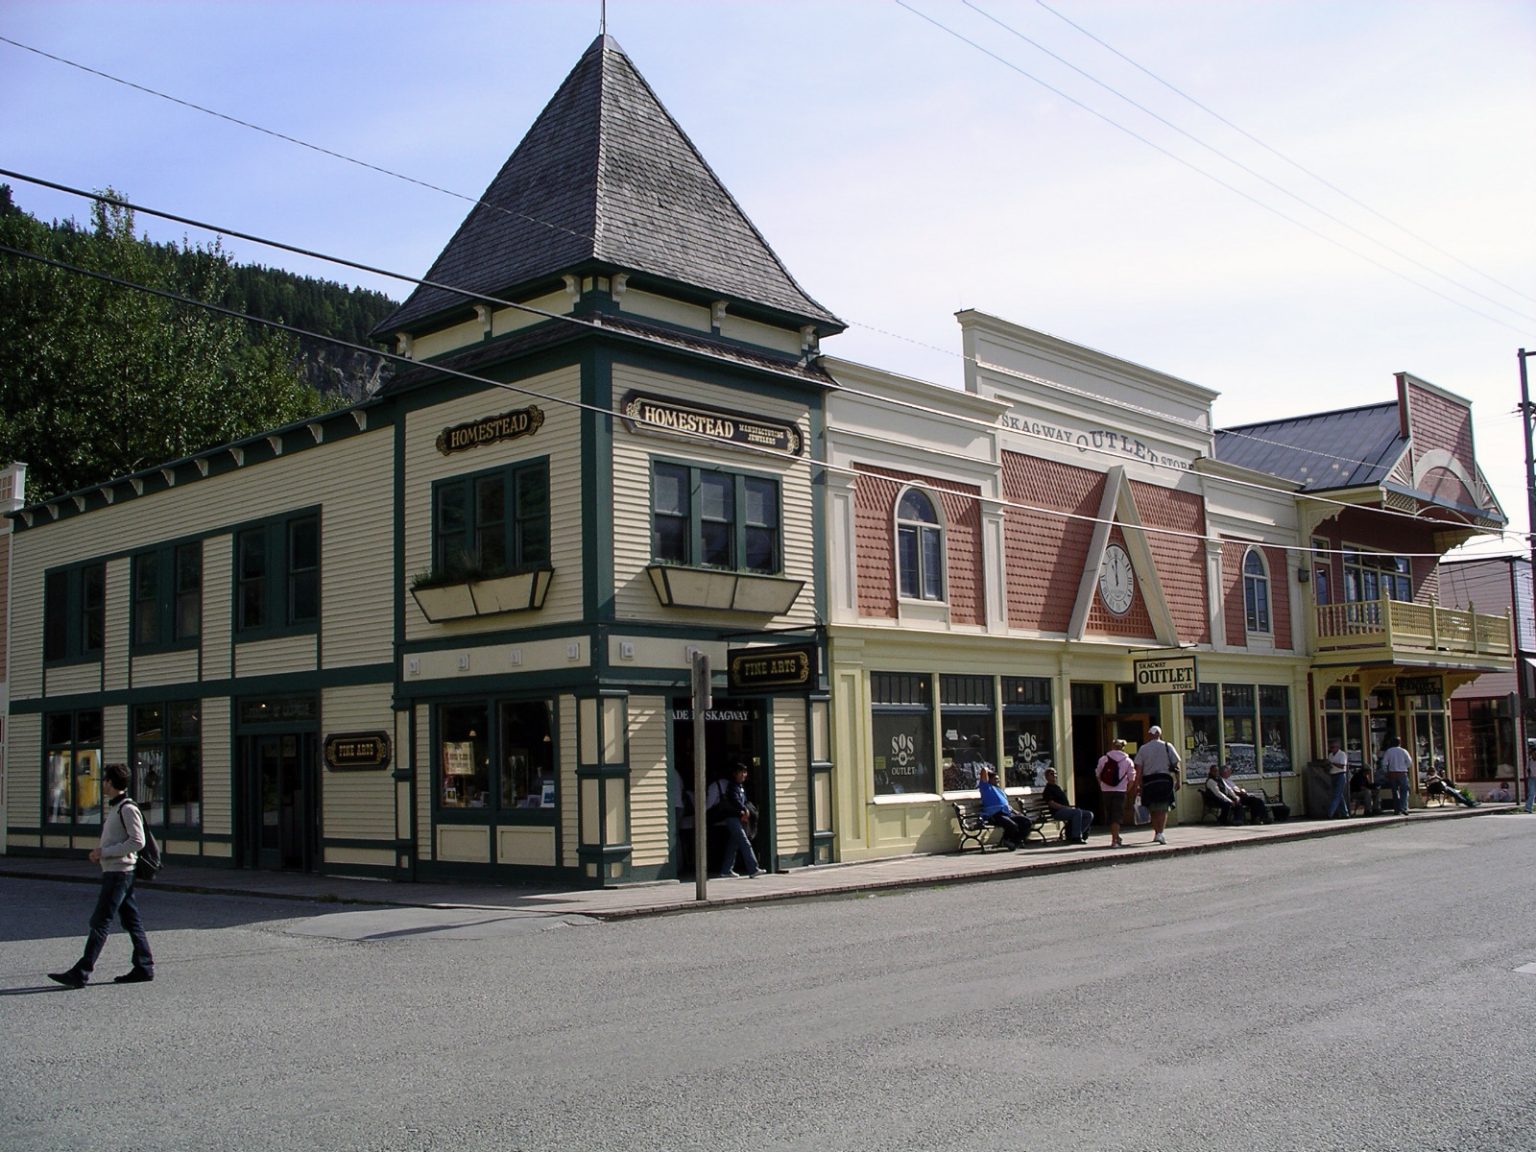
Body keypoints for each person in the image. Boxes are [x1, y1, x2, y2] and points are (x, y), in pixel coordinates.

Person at [48, 762, 155, 988]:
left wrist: (103, 852)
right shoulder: (117, 807)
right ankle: (144, 966)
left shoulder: (127, 808)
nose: (102, 784)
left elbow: (138, 841)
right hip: (117, 871)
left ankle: (82, 971)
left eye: (104, 780)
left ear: (110, 782)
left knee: (101, 921)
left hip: (119, 873)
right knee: (131, 921)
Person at [705, 760, 764, 878]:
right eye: (741, 773)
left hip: (738, 818)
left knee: (733, 844)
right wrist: (744, 809)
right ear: (735, 774)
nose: (743, 775)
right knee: (744, 842)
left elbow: (743, 800)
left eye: (745, 772)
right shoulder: (732, 786)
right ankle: (753, 868)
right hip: (732, 817)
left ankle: (726, 869)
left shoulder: (740, 786)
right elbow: (735, 800)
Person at [1133, 725, 1181, 845]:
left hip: (1149, 781)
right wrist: (1178, 780)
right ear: (1159, 734)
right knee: (1163, 808)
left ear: (1149, 735)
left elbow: (1138, 769)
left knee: (1152, 808)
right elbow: (1176, 765)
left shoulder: (1143, 748)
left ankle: (1157, 832)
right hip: (1164, 779)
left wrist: (1137, 785)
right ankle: (1160, 833)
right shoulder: (1167, 746)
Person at [977, 764, 1032, 850]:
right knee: (1012, 825)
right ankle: (1006, 840)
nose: (998, 780)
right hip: (995, 815)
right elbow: (984, 770)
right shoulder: (986, 787)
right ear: (989, 780)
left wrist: (1014, 811)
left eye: (998, 779)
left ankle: (1014, 842)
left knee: (1026, 822)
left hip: (1007, 814)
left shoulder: (1000, 790)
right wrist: (988, 770)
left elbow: (1006, 804)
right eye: (995, 779)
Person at [1095, 738, 1134, 848]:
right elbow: (1131, 778)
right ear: (1123, 747)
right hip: (1120, 791)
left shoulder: (1104, 759)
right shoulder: (1127, 761)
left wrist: (1102, 786)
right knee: (1117, 815)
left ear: (1112, 746)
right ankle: (1114, 840)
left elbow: (1098, 774)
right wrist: (1127, 790)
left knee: (1110, 814)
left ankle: (1116, 836)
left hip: (1106, 791)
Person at [1040, 768, 1093, 844]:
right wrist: (1065, 808)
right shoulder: (1048, 789)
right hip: (1057, 812)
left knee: (1089, 814)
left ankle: (1076, 834)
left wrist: (1069, 808)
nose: (1054, 775)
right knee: (1077, 812)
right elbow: (1051, 803)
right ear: (1046, 777)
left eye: (1055, 773)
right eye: (1051, 774)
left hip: (1067, 810)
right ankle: (1076, 837)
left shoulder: (1057, 787)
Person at [1379, 735, 1413, 816]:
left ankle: (1397, 809)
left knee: (1395, 792)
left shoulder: (1389, 751)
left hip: (1392, 773)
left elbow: (1384, 763)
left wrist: (1386, 772)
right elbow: (1409, 762)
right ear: (1399, 743)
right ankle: (1403, 808)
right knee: (1404, 791)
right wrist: (1404, 767)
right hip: (1402, 773)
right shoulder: (1403, 751)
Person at [1325, 738, 1350, 819]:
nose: (1331, 749)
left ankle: (1330, 813)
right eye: (1330, 747)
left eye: (1333, 747)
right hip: (1333, 775)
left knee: (1336, 795)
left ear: (1337, 747)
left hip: (1340, 775)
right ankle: (1345, 813)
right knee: (1339, 795)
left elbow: (1342, 766)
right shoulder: (1330, 755)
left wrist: (1332, 763)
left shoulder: (1342, 754)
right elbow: (1330, 765)